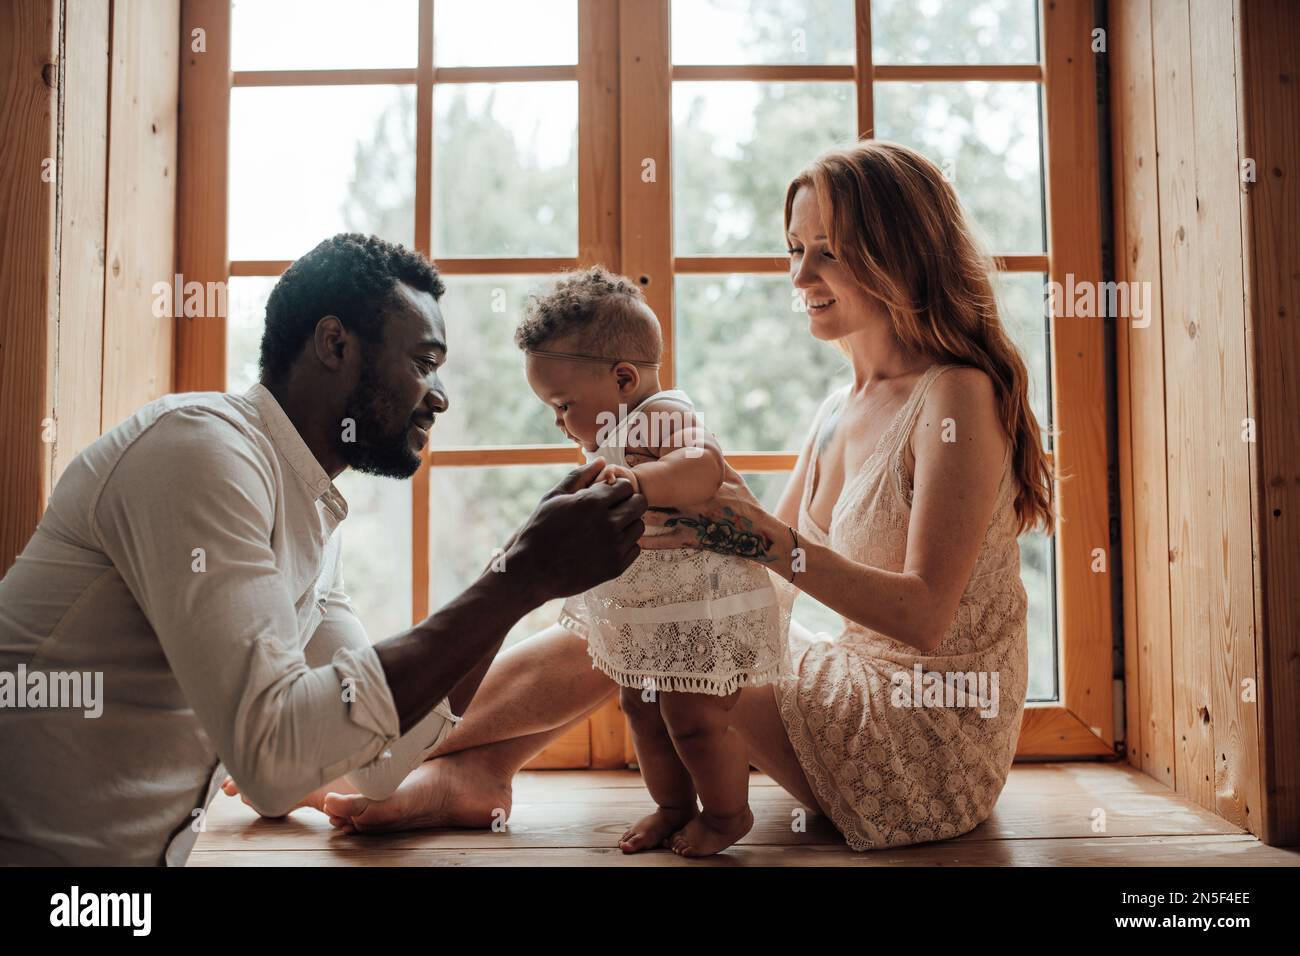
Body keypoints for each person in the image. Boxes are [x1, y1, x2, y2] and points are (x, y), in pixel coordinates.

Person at [319, 141, 1054, 854]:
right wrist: (688, 557)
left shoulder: (957, 393)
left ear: (902, 252)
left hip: (925, 740)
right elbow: (773, 587)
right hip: (852, 684)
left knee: (660, 620)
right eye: (793, 249)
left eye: (828, 250)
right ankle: (469, 770)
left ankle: (349, 747)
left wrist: (750, 537)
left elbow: (923, 616)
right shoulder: (839, 407)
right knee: (655, 604)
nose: (800, 275)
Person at [0, 233, 646, 865]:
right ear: (335, 344)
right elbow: (275, 760)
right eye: (424, 363)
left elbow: (381, 764)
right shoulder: (197, 452)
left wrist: (515, 570)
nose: (440, 398)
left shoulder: (309, 518)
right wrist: (519, 580)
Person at [516, 267, 789, 856]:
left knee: (693, 718)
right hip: (652, 610)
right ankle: (671, 805)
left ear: (623, 379)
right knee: (638, 705)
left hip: (705, 608)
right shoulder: (612, 434)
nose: (558, 421)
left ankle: (726, 814)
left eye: (563, 404)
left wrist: (634, 478)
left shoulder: (662, 414)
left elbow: (705, 466)